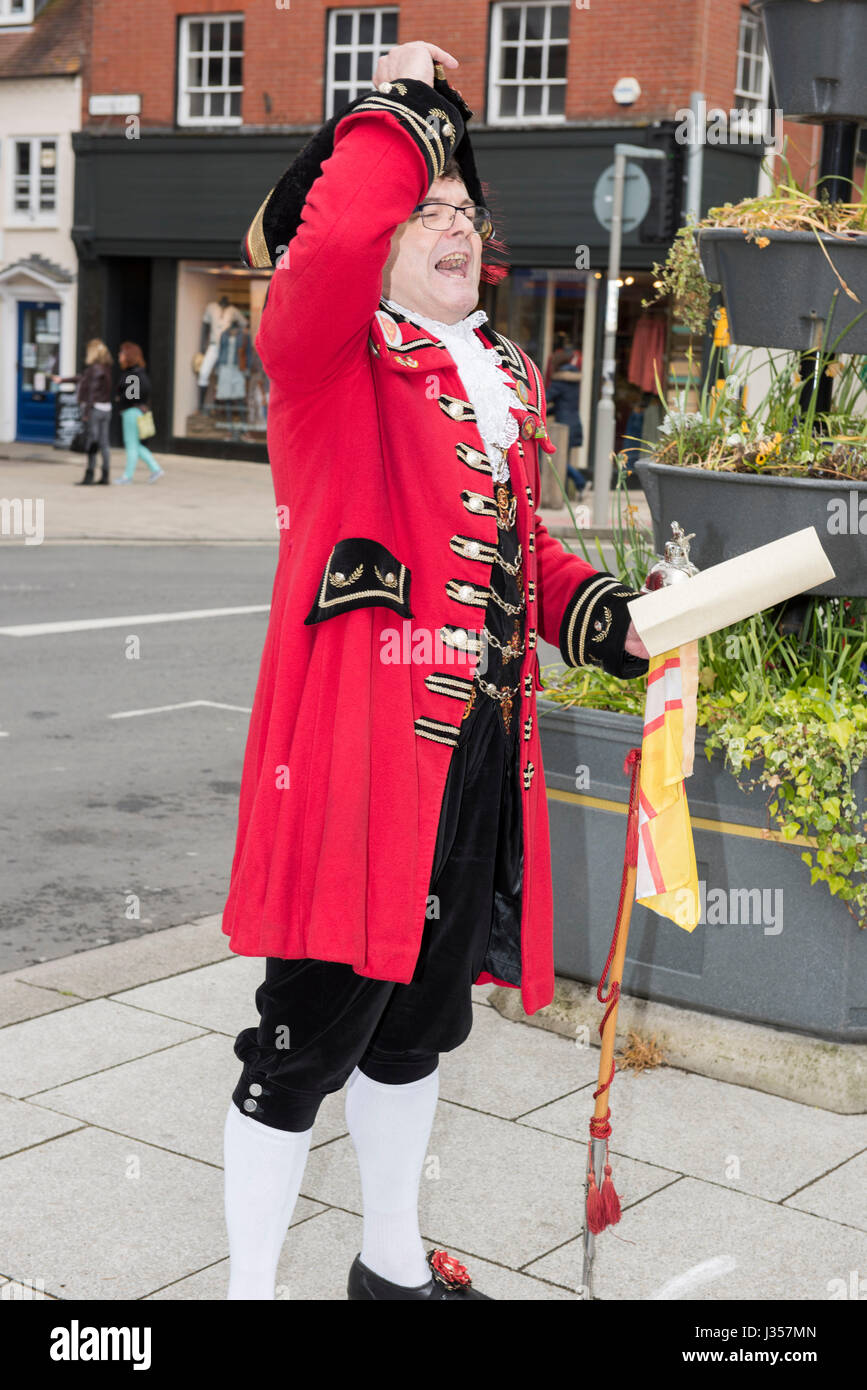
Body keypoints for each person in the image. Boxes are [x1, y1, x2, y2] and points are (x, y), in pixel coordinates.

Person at [220, 40, 650, 1302]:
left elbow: (525, 557)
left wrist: (607, 614)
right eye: (428, 209)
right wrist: (400, 108)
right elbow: (335, 234)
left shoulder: (503, 379)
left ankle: (388, 1265)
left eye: (466, 208)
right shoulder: (327, 359)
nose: (454, 223)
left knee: (418, 1029)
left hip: (472, 766)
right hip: (356, 765)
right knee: (302, 1043)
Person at [51, 339, 114, 485]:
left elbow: (91, 393)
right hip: (106, 409)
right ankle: (105, 475)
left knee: (91, 443)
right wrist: (63, 380)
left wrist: (86, 413)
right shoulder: (105, 368)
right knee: (104, 444)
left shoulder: (94, 369)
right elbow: (82, 378)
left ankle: (89, 475)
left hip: (94, 410)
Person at [113, 342, 164, 484]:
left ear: (128, 356)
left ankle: (127, 476)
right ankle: (155, 468)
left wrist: (119, 398)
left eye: (122, 353)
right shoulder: (139, 372)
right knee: (135, 444)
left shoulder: (133, 374)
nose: (119, 355)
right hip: (137, 412)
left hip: (131, 413)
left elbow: (131, 396)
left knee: (131, 444)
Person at [546, 347, 586, 500]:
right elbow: (562, 405)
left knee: (558, 460)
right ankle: (572, 490)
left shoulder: (560, 382)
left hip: (563, 426)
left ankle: (580, 481)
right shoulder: (573, 381)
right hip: (575, 422)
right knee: (563, 459)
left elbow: (546, 399)